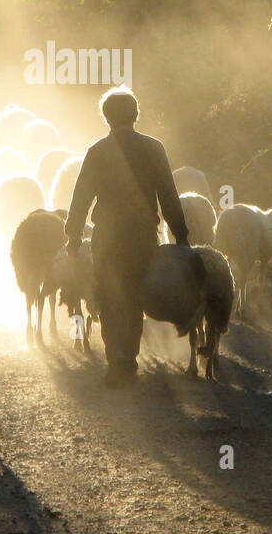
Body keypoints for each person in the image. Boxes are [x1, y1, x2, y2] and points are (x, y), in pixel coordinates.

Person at [64, 87, 190, 387]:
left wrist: (72, 235)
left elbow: (81, 196)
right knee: (134, 295)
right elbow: (169, 194)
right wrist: (180, 234)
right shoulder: (154, 148)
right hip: (142, 236)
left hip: (107, 237)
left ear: (106, 118)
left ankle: (115, 357)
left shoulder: (97, 151)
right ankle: (129, 356)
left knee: (108, 295)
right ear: (135, 115)